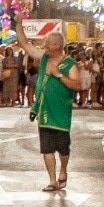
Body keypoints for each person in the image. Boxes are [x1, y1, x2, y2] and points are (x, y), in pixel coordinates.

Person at [17, 28, 80, 191]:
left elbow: (77, 85)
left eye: (48, 43)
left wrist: (58, 74)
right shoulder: (44, 57)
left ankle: (63, 169)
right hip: (44, 111)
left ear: (58, 45)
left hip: (61, 113)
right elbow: (24, 44)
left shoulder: (69, 64)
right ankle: (52, 180)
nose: (44, 45)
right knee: (47, 148)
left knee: (63, 150)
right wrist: (18, 23)